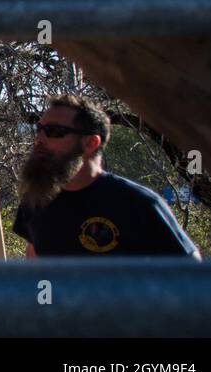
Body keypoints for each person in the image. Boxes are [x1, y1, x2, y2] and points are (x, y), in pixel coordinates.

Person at [13, 94, 200, 258]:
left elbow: (191, 266)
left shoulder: (138, 203)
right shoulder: (36, 200)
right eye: (39, 129)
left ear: (90, 143)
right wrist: (40, 298)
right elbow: (36, 259)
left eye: (54, 131)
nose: (40, 139)